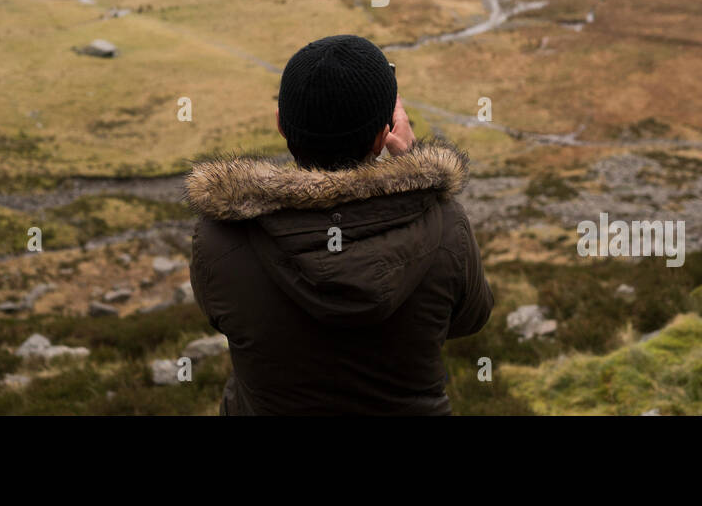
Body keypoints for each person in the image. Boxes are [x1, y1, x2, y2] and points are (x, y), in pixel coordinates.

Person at [186, 33, 493, 415]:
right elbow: (470, 318)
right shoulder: (446, 227)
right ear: (385, 135)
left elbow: (223, 318)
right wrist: (417, 170)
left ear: (281, 125)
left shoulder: (220, 236)